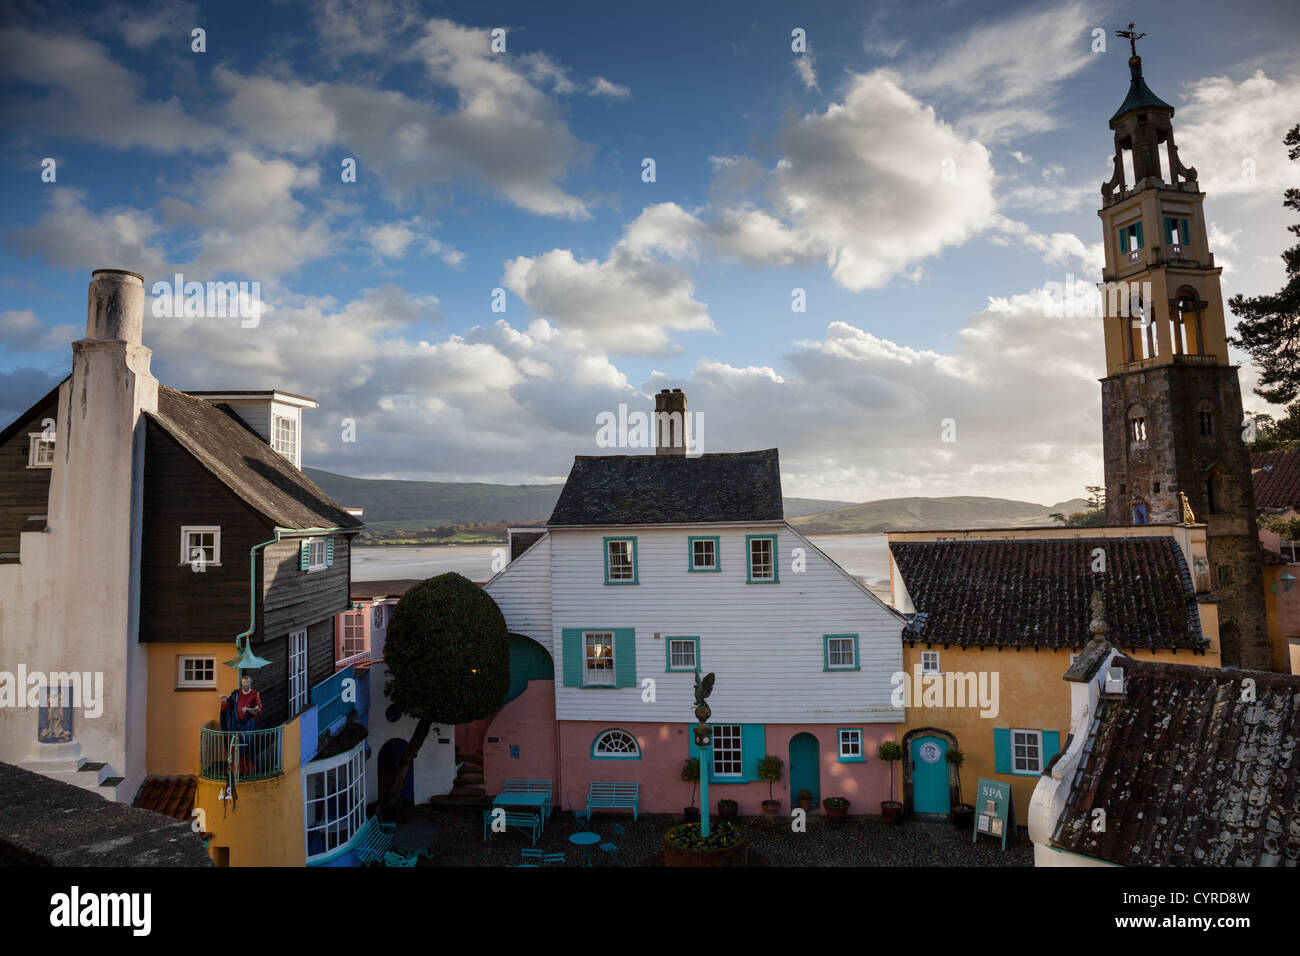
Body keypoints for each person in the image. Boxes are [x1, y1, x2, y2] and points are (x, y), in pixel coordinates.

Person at [220, 674, 263, 774]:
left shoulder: (254, 694)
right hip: (234, 725)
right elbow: (227, 706)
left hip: (247, 726)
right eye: (244, 682)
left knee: (247, 747)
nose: (246, 684)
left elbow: (259, 710)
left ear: (250, 682)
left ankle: (248, 769)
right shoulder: (236, 694)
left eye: (247, 682)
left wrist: (248, 710)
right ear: (241, 683)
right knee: (234, 747)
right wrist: (224, 700)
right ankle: (235, 768)